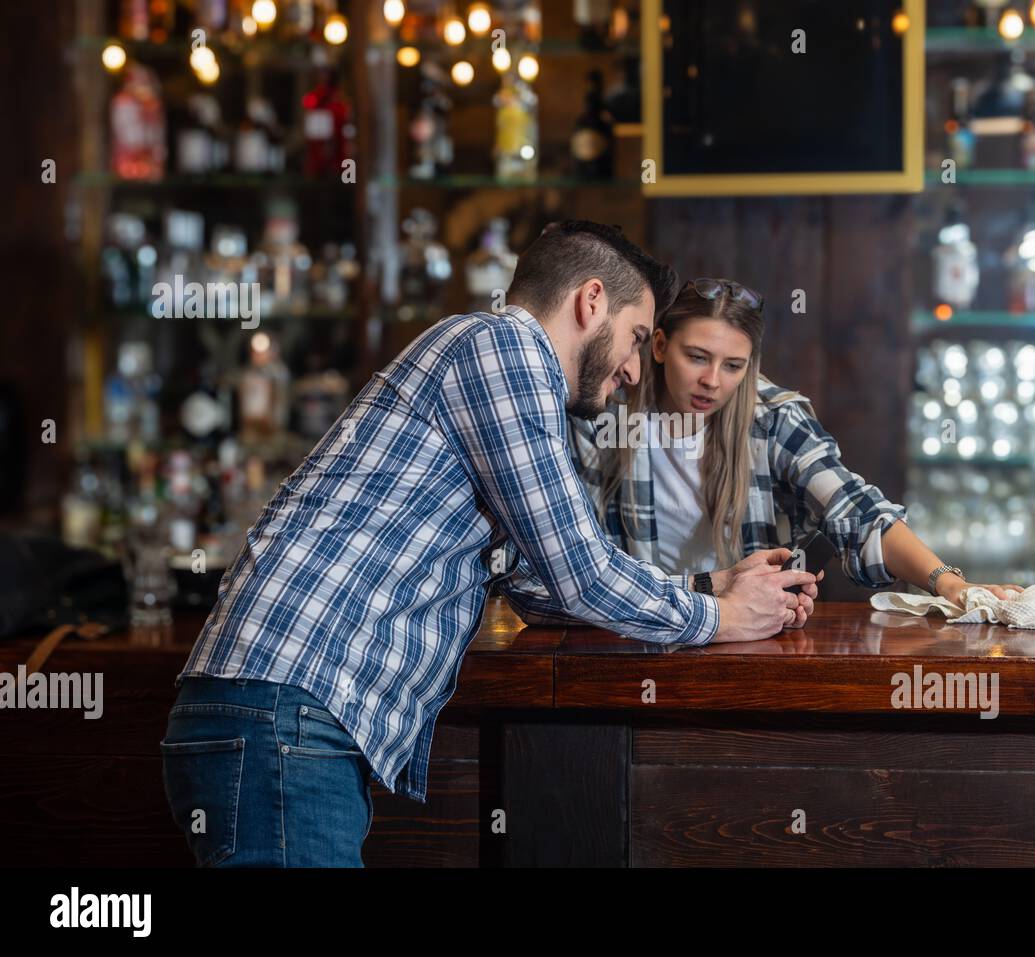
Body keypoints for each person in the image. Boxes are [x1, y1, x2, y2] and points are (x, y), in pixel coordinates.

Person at [160, 225, 819, 867]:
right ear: (592, 302)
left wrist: (712, 587)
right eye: (637, 337)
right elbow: (578, 573)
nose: (629, 366)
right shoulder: (501, 349)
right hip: (286, 711)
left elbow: (536, 581)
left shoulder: (500, 367)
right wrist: (724, 618)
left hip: (283, 711)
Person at [505, 277, 1023, 611]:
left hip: (750, 638)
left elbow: (856, 511)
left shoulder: (773, 417)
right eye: (697, 356)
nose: (713, 380)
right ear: (659, 346)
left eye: (733, 366)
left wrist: (948, 583)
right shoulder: (606, 412)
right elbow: (569, 566)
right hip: (633, 633)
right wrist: (704, 594)